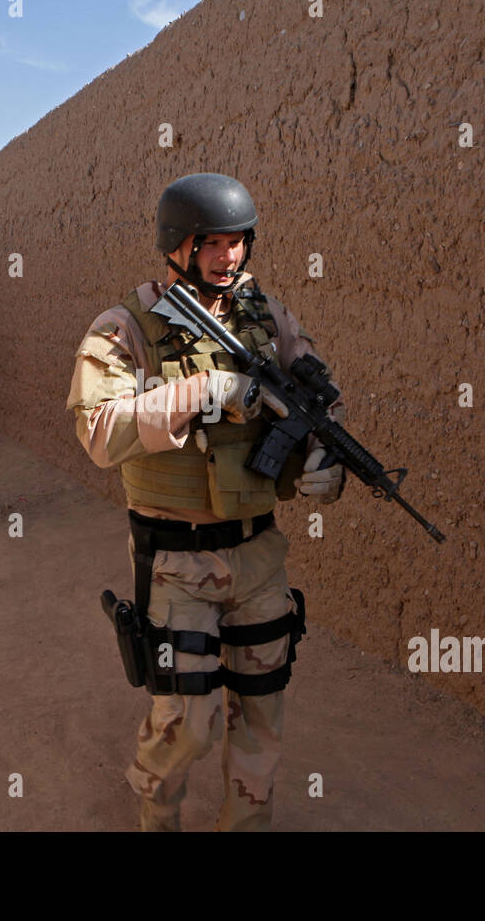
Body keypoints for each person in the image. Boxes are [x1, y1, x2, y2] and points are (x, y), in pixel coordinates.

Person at [66, 173, 346, 831]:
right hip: (176, 564)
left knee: (261, 717)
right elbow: (99, 433)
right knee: (187, 722)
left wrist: (321, 465)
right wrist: (201, 393)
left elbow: (317, 408)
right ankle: (155, 814)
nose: (229, 256)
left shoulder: (267, 318)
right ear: (179, 245)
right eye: (212, 243)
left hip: (258, 555)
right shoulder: (127, 326)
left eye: (238, 242)